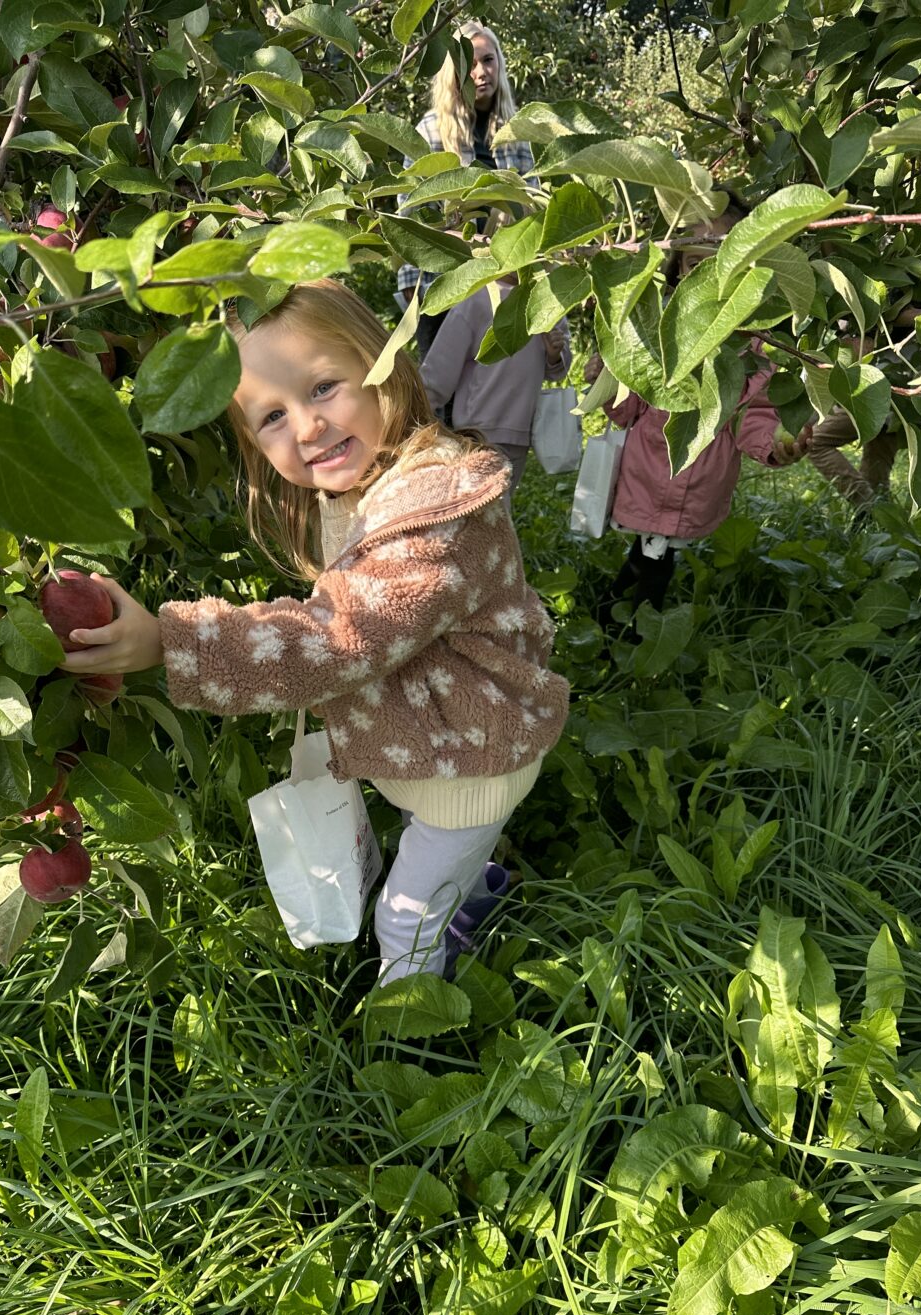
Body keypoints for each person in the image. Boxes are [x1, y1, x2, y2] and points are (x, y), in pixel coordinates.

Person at [59, 280, 569, 985]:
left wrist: (174, 642)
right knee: (429, 859)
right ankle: (471, 887)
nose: (305, 427)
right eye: (270, 416)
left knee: (403, 918)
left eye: (324, 387)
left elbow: (341, 638)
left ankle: (410, 1038)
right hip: (442, 740)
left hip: (473, 765)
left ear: (382, 365)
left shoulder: (435, 514)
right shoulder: (363, 485)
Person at [586, 213, 811, 623]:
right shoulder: (655, 328)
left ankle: (620, 627)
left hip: (701, 475)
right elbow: (629, 409)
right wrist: (608, 380)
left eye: (728, 264)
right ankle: (623, 629)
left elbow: (753, 416)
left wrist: (776, 443)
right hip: (648, 467)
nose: (712, 280)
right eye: (696, 265)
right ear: (675, 269)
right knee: (653, 556)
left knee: (655, 555)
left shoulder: (753, 345)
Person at [398, 22, 535, 360]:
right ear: (454, 72)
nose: (481, 71)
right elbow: (409, 213)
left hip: (502, 285)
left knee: (493, 395)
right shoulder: (430, 130)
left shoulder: (515, 132)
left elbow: (532, 206)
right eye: (470, 63)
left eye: (488, 60)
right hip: (443, 285)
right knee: (442, 399)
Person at [420, 277, 572, 491]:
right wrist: (413, 414)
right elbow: (439, 370)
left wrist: (554, 355)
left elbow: (557, 368)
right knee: (488, 506)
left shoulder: (546, 299)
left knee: (498, 506)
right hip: (479, 432)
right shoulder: (475, 300)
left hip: (519, 430)